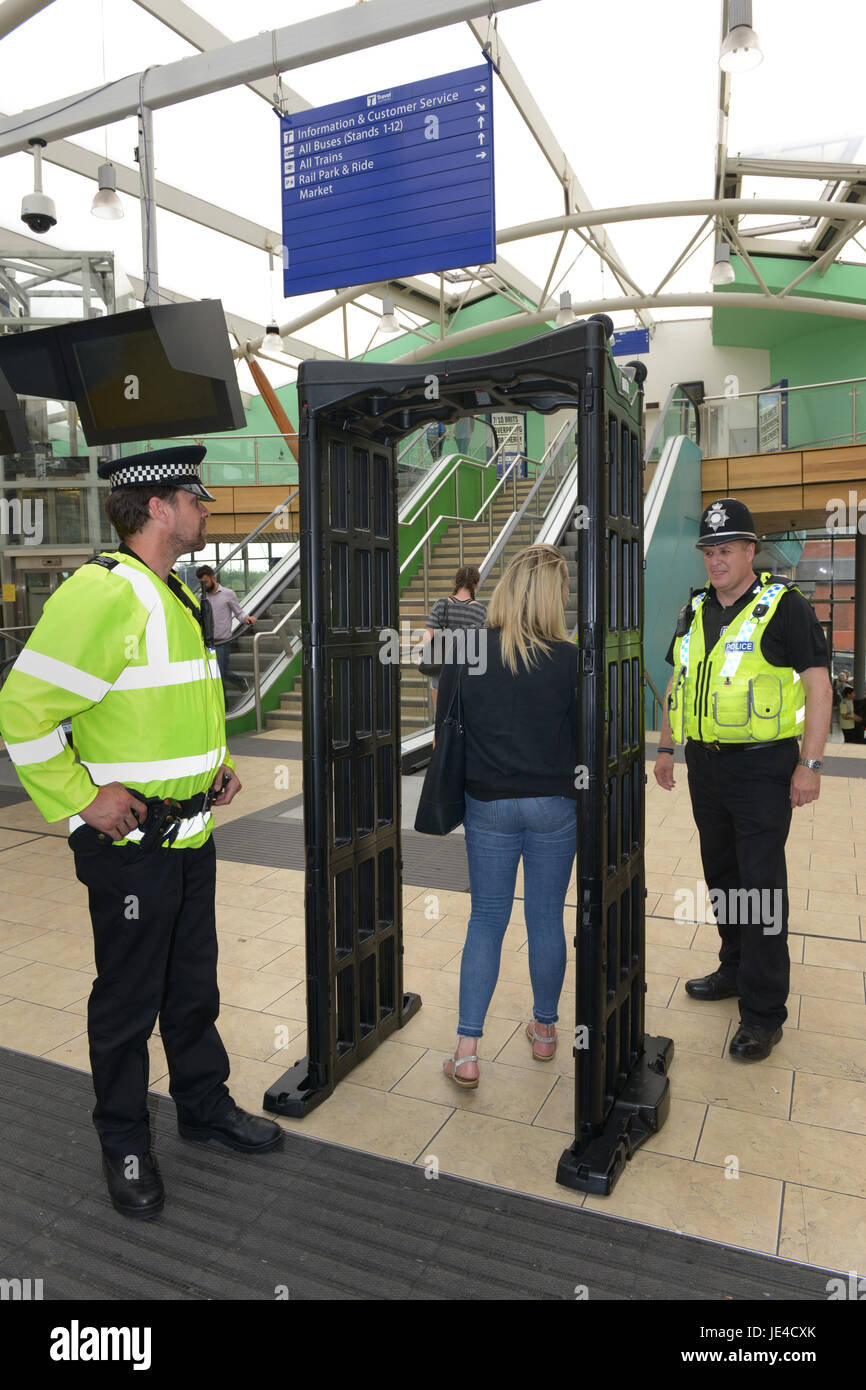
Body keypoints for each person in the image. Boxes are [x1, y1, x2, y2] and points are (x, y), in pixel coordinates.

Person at [0, 445, 282, 1221]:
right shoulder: (101, 596)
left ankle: (202, 1103)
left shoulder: (178, 594)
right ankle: (125, 1142)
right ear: (157, 508)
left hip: (190, 837)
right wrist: (81, 798)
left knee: (193, 986)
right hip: (130, 848)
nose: (206, 507)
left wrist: (217, 763)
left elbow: (181, 700)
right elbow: (21, 709)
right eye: (196, 496)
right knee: (127, 1002)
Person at [654, 498, 832, 1063]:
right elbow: (677, 681)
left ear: (750, 550)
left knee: (761, 887)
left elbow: (819, 689)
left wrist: (812, 764)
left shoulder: (786, 608)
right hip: (705, 767)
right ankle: (733, 968)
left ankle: (762, 1013)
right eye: (708, 550)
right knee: (722, 875)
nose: (715, 560)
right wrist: (664, 747)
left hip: (763, 769)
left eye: (725, 549)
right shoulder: (694, 611)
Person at [435, 545, 578, 1087]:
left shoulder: (469, 649)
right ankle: (544, 1032)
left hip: (487, 803)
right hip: (553, 805)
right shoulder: (568, 658)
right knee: (545, 918)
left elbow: (447, 719)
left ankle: (467, 1051)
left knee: (487, 921)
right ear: (551, 596)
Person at [424, 565, 486, 716]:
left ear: (455, 582)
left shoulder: (441, 604)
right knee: (464, 718)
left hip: (442, 668)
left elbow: (427, 637)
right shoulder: (480, 610)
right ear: (476, 584)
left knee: (440, 720)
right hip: (468, 670)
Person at [195, 564, 256, 697]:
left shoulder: (228, 594)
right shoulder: (200, 598)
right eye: (200, 583)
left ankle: (240, 681)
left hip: (223, 641)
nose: (203, 585)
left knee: (221, 673)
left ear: (213, 577)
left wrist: (247, 618)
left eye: (205, 581)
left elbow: (238, 613)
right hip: (208, 643)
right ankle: (224, 706)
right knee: (213, 675)